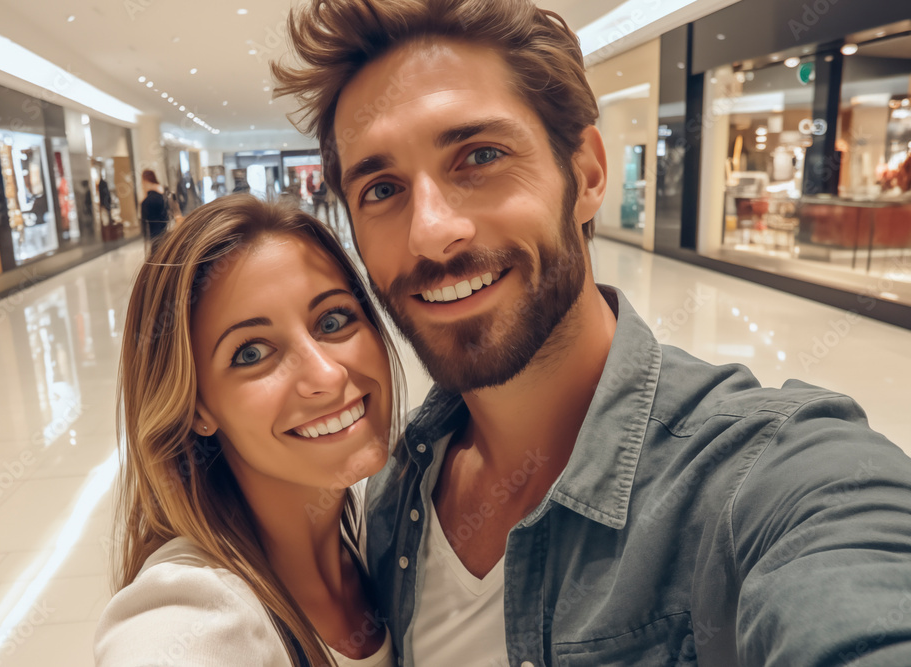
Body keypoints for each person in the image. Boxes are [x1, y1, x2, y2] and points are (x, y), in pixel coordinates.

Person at [273, 1, 911, 665]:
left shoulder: (761, 481)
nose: (430, 232)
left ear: (587, 174)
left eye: (479, 155)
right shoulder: (396, 486)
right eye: (381, 188)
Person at [95, 195, 404, 667]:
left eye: (333, 320)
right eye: (252, 353)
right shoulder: (197, 608)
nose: (327, 375)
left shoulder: (386, 539)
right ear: (196, 407)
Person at [139, 169, 169, 256]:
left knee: (155, 252)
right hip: (162, 227)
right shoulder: (161, 193)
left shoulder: (148, 199)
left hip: (153, 229)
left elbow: (144, 219)